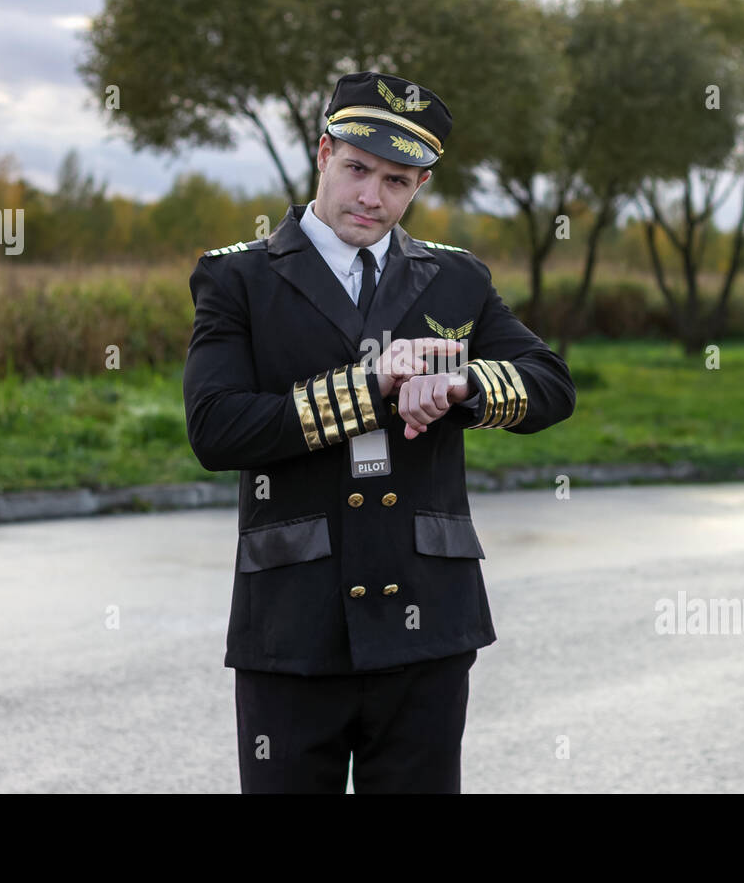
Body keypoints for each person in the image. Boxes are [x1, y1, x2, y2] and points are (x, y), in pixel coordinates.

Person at [183, 70, 576, 793]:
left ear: (420, 185)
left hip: (428, 624)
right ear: (324, 152)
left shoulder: (456, 280)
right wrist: (372, 387)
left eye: (397, 181)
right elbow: (216, 428)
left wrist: (464, 384)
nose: (373, 197)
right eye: (359, 169)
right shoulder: (237, 278)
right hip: (295, 627)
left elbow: (551, 386)